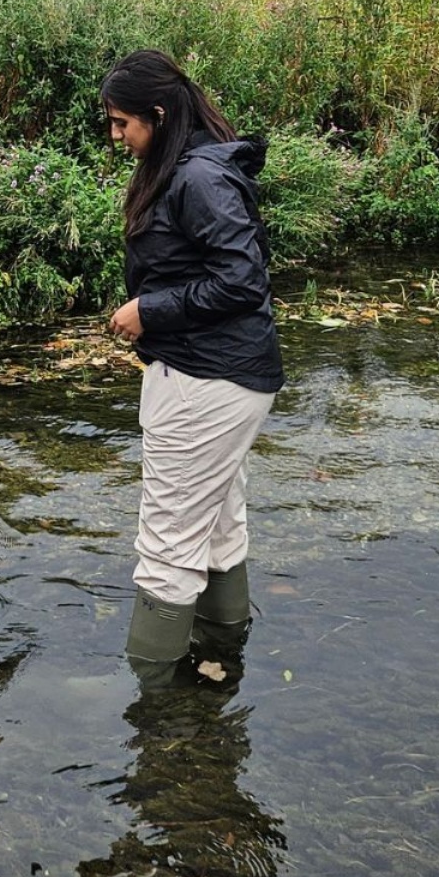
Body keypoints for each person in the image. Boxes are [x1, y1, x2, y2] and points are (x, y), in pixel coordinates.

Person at [101, 50, 284, 685]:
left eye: (124, 122)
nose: (116, 135)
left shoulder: (199, 179)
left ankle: (150, 694)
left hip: (211, 381)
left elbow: (242, 281)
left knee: (168, 539)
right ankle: (222, 656)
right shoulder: (185, 165)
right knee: (219, 521)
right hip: (218, 373)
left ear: (159, 114)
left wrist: (151, 310)